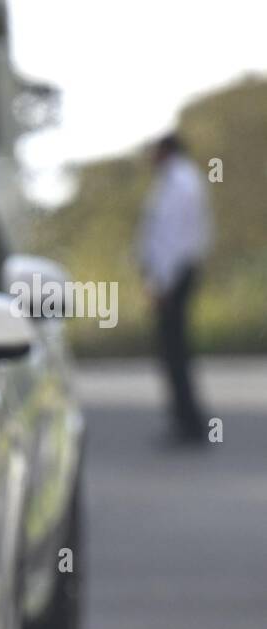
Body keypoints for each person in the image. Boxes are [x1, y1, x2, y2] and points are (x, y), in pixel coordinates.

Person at [134, 132, 212, 446]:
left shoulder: (179, 184)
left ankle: (189, 422)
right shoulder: (181, 180)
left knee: (175, 350)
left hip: (174, 275)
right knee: (174, 350)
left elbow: (171, 239)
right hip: (177, 273)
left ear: (166, 151)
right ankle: (185, 418)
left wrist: (161, 282)